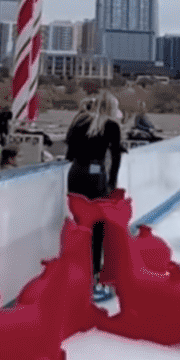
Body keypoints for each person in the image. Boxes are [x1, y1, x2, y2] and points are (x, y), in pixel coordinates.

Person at [64, 90, 123, 302]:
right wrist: (111, 186)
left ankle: (74, 278)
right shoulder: (111, 127)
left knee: (79, 227)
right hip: (95, 179)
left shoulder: (80, 123)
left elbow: (69, 154)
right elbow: (115, 159)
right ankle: (93, 282)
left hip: (75, 174)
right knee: (97, 229)